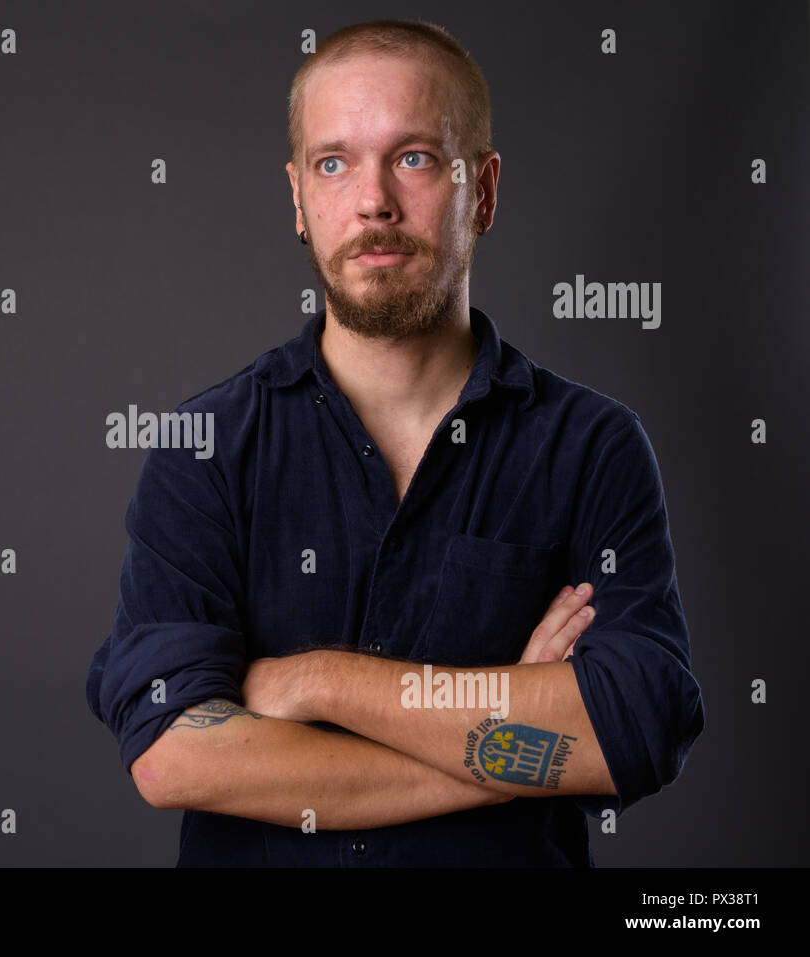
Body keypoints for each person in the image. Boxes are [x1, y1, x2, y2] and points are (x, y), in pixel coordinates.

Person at [85, 19, 704, 866]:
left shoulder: (592, 445)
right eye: (334, 163)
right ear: (299, 198)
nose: (372, 201)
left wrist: (314, 682)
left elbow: (631, 729)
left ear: (481, 190)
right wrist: (515, 741)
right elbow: (172, 752)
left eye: (413, 157)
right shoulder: (205, 449)